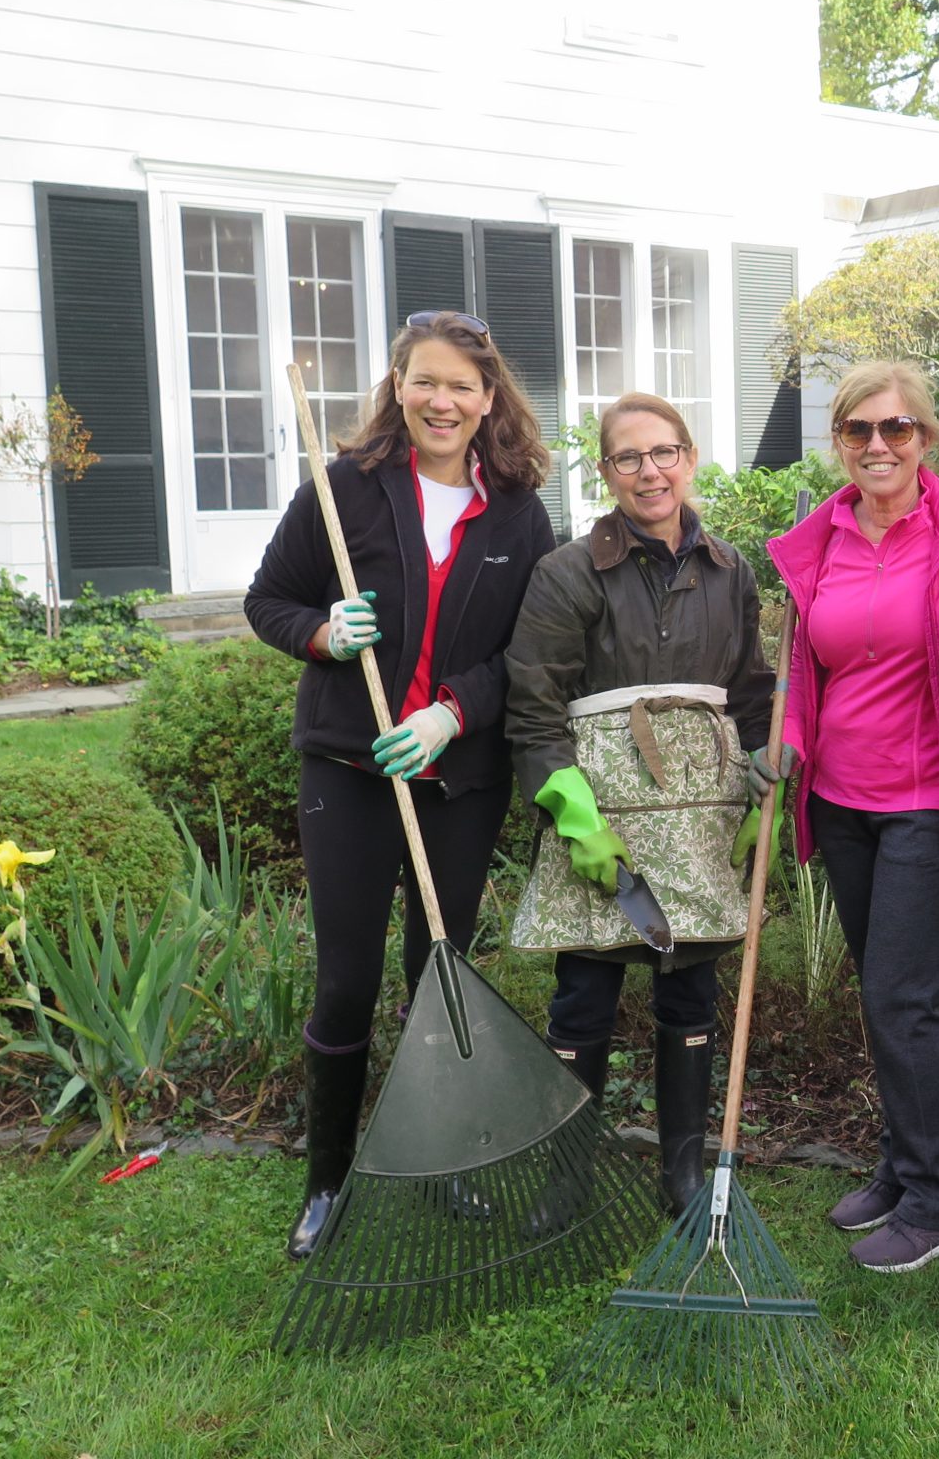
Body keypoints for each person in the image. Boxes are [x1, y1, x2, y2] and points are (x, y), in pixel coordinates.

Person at [245, 310, 558, 1260]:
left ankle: (440, 1160)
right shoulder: (343, 490)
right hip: (349, 771)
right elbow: (268, 600)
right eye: (426, 381)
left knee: (440, 972)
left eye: (463, 385)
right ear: (398, 385)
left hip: (455, 778)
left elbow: (529, 654)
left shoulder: (518, 511)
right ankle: (327, 1183)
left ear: (489, 399)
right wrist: (324, 634)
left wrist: (452, 712)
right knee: (345, 981)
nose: (443, 401)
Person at [502, 392, 773, 1215]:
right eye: (628, 457)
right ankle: (567, 1179)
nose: (649, 471)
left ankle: (681, 1176)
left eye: (664, 453)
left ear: (689, 459)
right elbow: (533, 706)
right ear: (607, 472)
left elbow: (754, 691)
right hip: (603, 808)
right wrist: (573, 814)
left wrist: (764, 778)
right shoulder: (567, 572)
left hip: (701, 812)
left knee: (688, 991)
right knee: (583, 992)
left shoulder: (731, 572)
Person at [764, 362, 939, 1274]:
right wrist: (787, 739)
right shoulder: (817, 541)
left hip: (926, 803)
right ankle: (905, 1169)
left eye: (897, 429)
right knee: (883, 997)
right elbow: (800, 673)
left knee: (903, 1002)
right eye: (859, 431)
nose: (878, 446)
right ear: (839, 443)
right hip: (840, 801)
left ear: (926, 438)